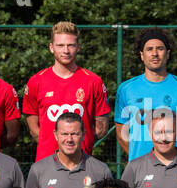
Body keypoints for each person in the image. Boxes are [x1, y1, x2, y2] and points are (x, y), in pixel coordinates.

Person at [22, 21, 111, 161]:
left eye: (70, 45)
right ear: (51, 47)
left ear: (78, 47)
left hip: (83, 163)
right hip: (46, 163)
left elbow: (101, 129)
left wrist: (81, 142)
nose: (66, 50)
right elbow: (34, 130)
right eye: (60, 45)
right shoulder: (36, 81)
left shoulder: (94, 81)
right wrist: (52, 145)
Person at [114, 28, 177, 161]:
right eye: (149, 49)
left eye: (160, 48)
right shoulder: (126, 89)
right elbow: (122, 135)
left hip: (175, 169)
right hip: (140, 170)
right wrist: (140, 161)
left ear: (167, 54)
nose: (155, 53)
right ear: (142, 55)